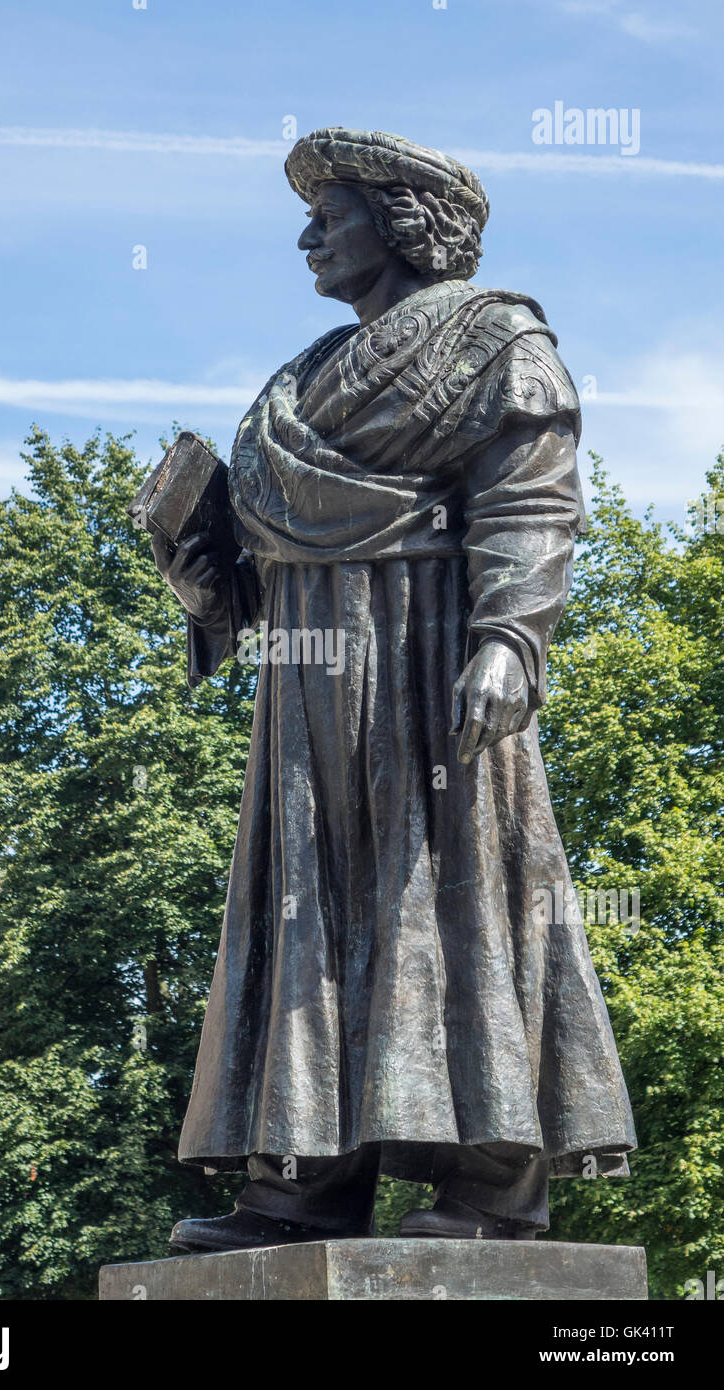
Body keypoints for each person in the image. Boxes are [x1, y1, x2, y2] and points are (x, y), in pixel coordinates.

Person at [152, 128, 636, 1253]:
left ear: (405, 219)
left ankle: (491, 1188)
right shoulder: (304, 373)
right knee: (306, 906)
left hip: (429, 663)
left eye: (333, 210)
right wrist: (199, 567)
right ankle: (299, 1186)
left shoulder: (493, 341)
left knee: (456, 892)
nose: (309, 232)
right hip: (308, 690)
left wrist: (510, 639)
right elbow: (258, 574)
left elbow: (531, 500)